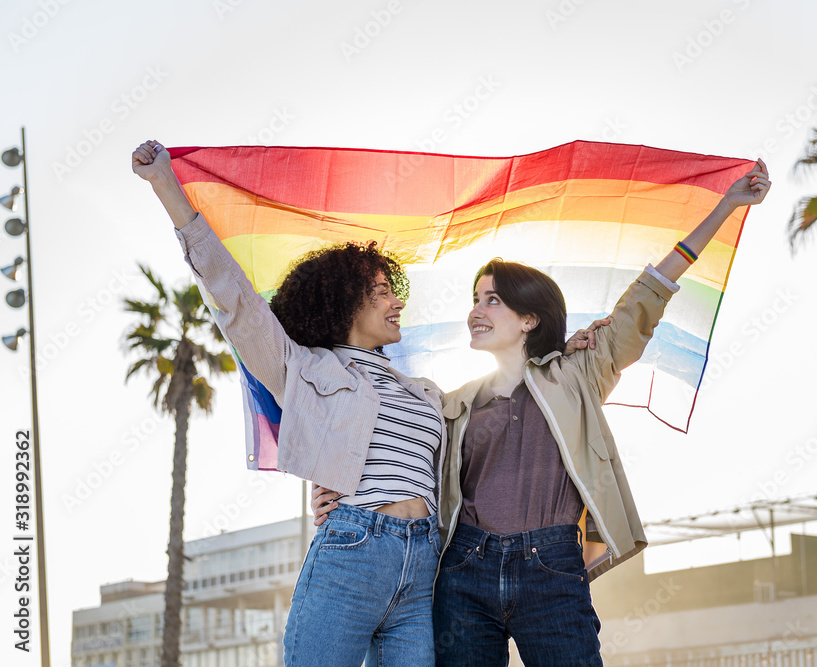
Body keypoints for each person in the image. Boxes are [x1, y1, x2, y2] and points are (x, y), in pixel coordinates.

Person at [131, 139, 602, 667]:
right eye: (381, 291)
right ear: (347, 298)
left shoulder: (426, 393)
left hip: (424, 567)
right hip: (352, 554)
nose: (397, 300)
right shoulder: (304, 370)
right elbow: (234, 301)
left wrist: (558, 354)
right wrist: (166, 187)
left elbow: (505, 422)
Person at [313, 160, 771, 665]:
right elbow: (383, 440)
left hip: (551, 568)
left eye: (492, 300)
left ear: (529, 318)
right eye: (475, 299)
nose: (476, 311)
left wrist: (728, 206)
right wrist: (331, 487)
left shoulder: (578, 373)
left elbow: (647, 298)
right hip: (464, 570)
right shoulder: (448, 404)